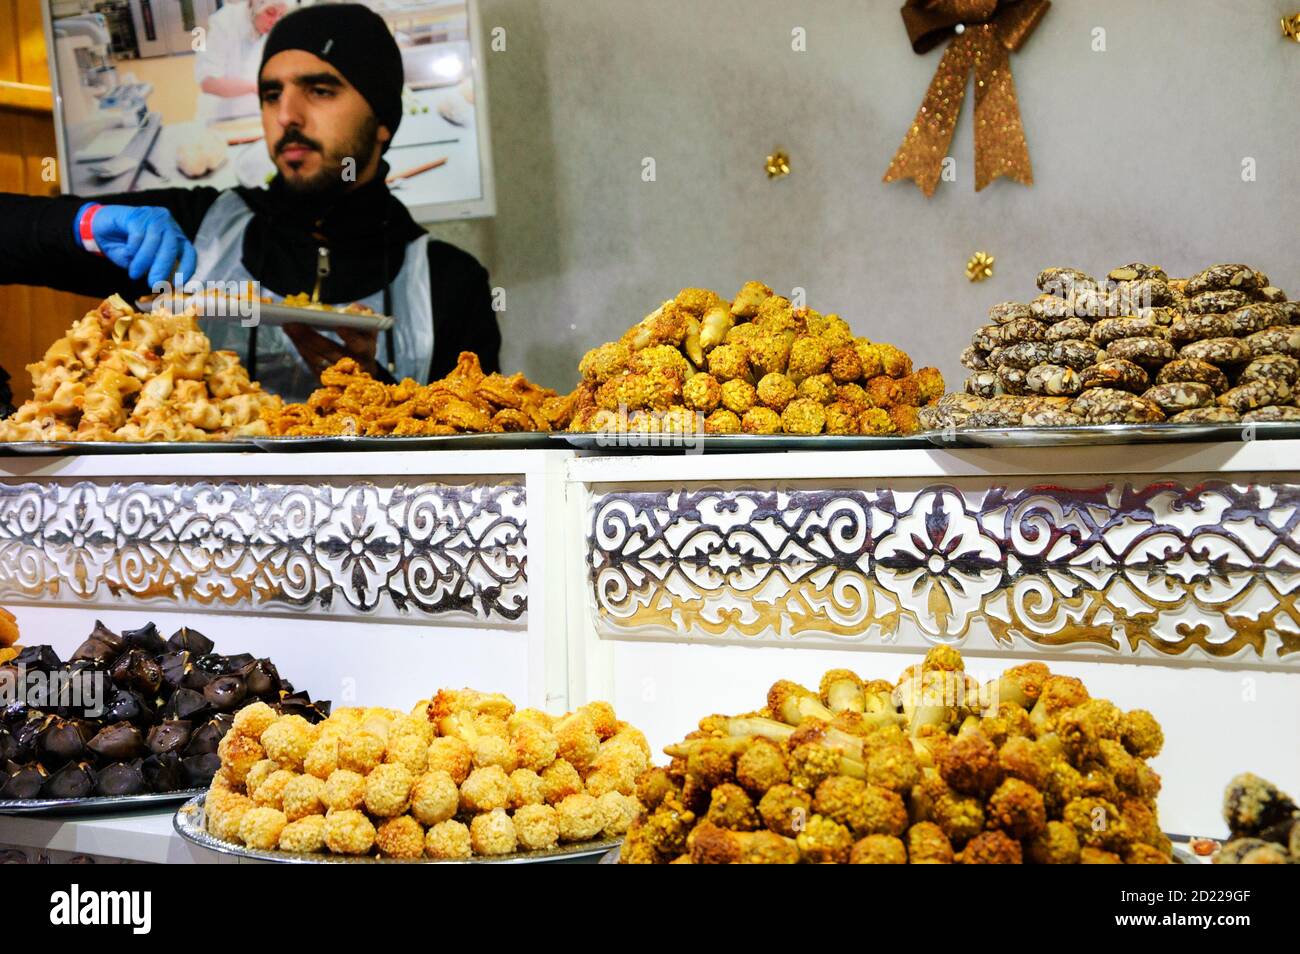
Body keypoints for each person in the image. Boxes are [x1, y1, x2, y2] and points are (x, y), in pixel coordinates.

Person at [0, 3, 499, 401]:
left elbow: (483, 461)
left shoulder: (448, 283)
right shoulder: (197, 228)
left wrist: (375, 395)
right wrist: (87, 222)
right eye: (270, 94)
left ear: (383, 120)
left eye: (320, 90)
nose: (287, 115)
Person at [195, 0, 290, 123]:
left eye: (281, 15)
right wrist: (254, 88)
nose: (275, 21)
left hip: (255, 116)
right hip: (219, 118)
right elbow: (208, 83)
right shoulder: (224, 23)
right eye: (270, 13)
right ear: (254, 5)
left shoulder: (273, 30)